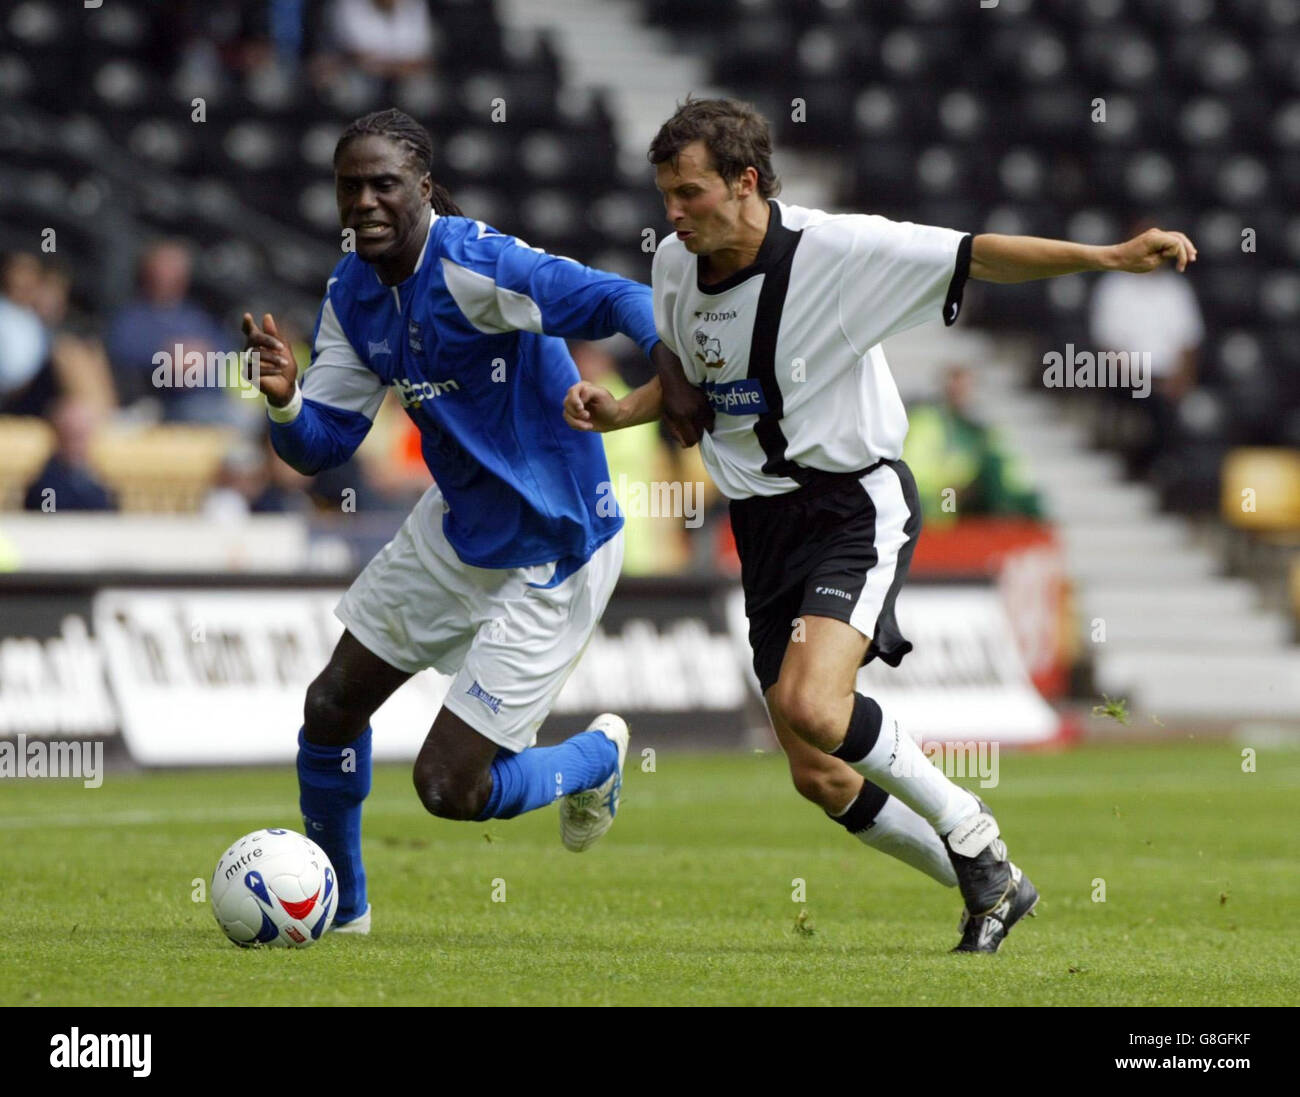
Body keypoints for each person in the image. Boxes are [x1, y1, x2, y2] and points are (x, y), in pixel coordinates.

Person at [566, 97, 1197, 952]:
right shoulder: (678, 267)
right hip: (761, 525)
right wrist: (618, 412)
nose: (671, 216)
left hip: (852, 503)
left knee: (814, 704)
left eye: (689, 194)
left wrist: (1108, 257)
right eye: (665, 197)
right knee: (817, 772)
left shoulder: (840, 251)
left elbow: (978, 255)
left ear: (746, 183)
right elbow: (696, 375)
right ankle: (993, 884)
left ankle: (971, 829)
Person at [242, 108, 682, 934]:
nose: (365, 202)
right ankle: (342, 912)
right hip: (455, 530)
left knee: (449, 788)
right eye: (350, 187)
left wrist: (671, 365)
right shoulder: (350, 294)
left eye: (385, 184)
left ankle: (594, 760)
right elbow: (324, 444)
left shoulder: (478, 264)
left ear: (424, 188)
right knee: (331, 705)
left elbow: (616, 295)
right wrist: (287, 399)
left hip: (555, 548)